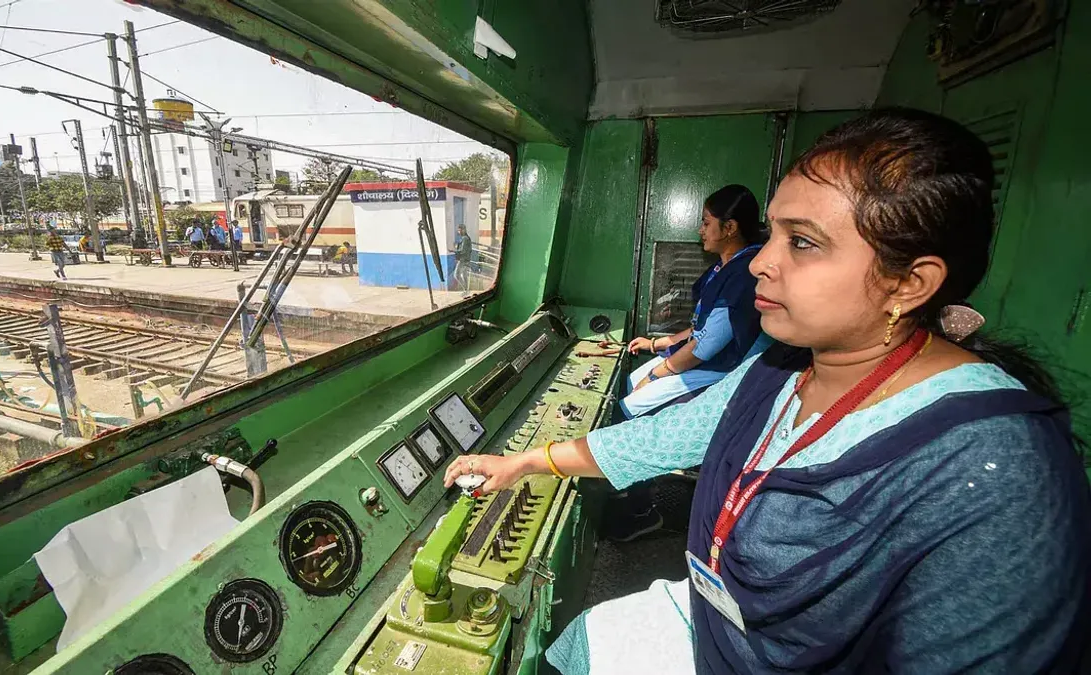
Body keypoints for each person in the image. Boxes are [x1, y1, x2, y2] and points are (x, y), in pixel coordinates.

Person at [445, 109, 1091, 674]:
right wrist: (527, 460)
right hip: (725, 622)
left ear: (909, 284)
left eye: (802, 242)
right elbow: (668, 435)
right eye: (774, 232)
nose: (760, 261)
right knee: (586, 634)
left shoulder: (999, 470)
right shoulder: (784, 365)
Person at [623, 185, 770, 420]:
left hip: (722, 369)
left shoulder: (744, 274)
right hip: (704, 358)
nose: (700, 230)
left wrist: (654, 376)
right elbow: (702, 326)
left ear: (730, 228)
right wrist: (655, 344)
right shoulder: (724, 267)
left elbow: (706, 344)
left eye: (706, 223)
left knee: (630, 407)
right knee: (630, 383)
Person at [453, 224, 473, 293]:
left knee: (456, 274)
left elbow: (463, 250)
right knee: (464, 274)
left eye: (460, 230)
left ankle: (465, 289)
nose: (459, 232)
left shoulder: (465, 238)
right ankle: (466, 290)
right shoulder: (466, 238)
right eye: (458, 230)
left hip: (463, 259)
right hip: (466, 259)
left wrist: (454, 251)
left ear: (464, 230)